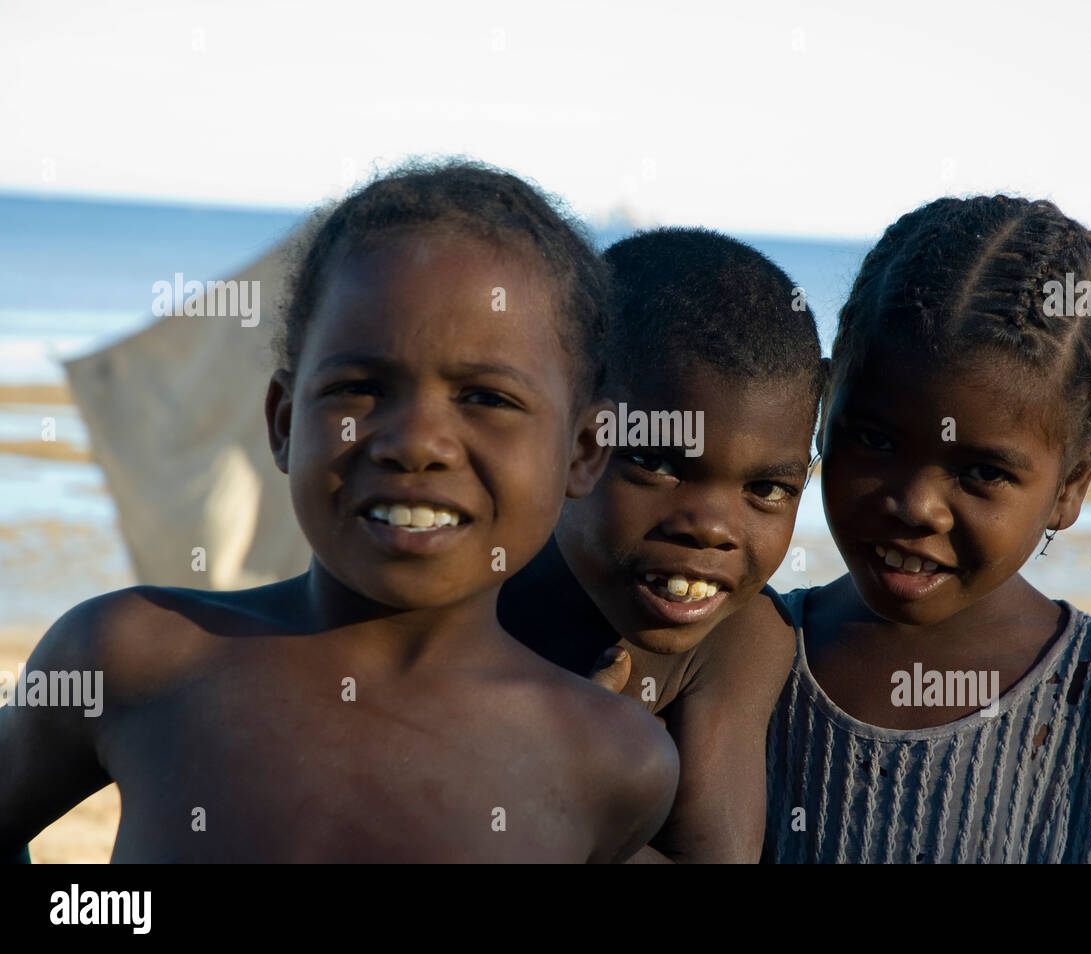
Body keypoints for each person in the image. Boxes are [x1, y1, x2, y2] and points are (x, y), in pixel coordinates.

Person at [0, 160, 678, 863]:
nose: (416, 443)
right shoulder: (132, 656)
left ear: (583, 451)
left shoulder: (611, 759)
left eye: (485, 398)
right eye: (361, 387)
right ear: (284, 422)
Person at [764, 195, 1091, 863]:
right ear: (824, 411)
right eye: (875, 440)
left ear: (1070, 486)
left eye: (980, 472)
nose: (918, 506)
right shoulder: (754, 656)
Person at [501, 228, 825, 862]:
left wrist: (573, 791)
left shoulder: (739, 641)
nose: (710, 527)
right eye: (655, 462)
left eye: (766, 488)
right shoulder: (470, 591)